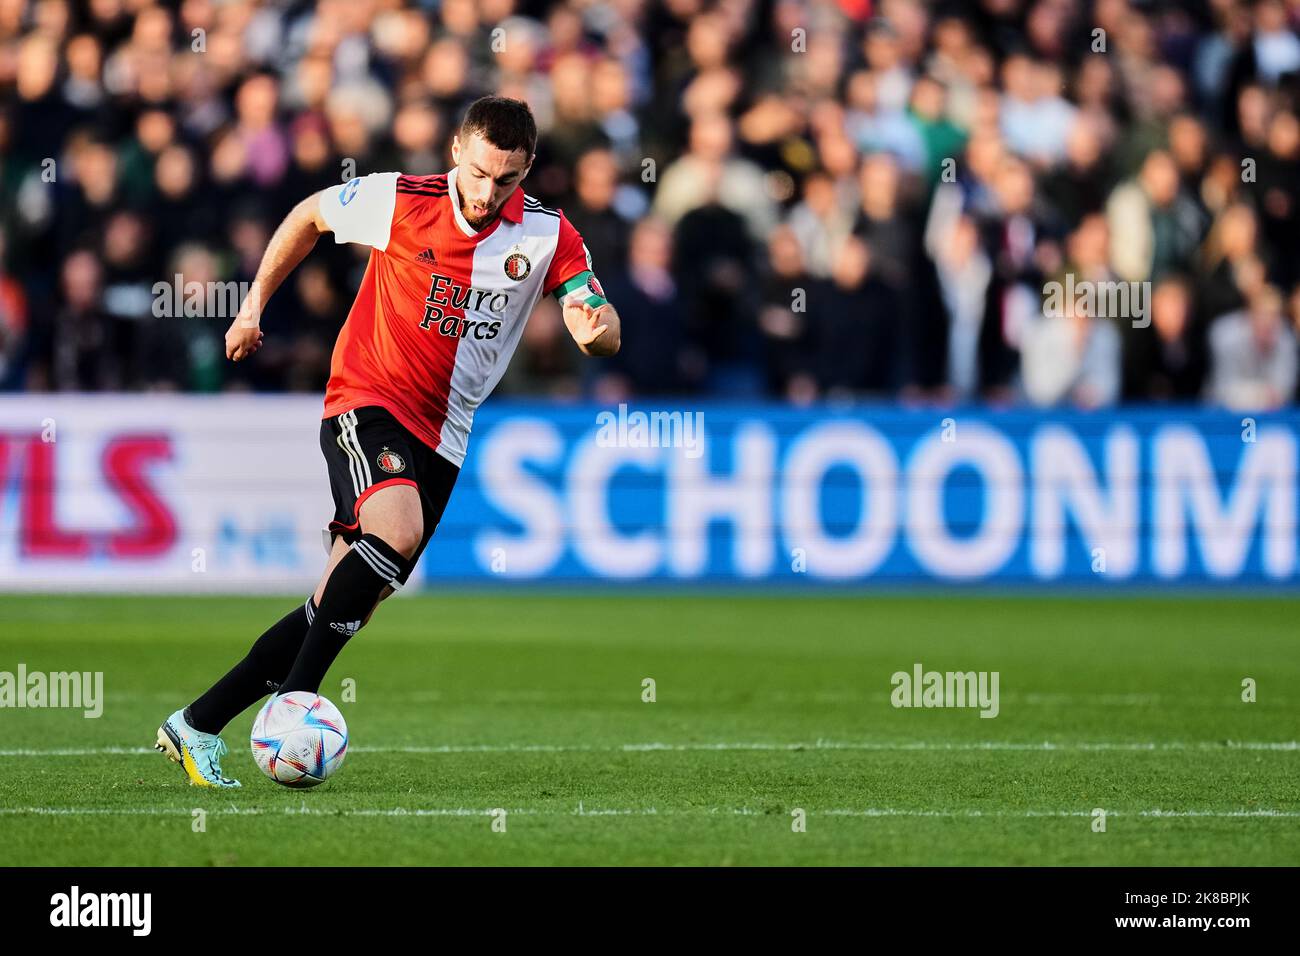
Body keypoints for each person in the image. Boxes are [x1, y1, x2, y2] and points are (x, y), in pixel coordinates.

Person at [154, 96, 620, 787]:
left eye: (509, 180)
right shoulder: (398, 200)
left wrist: (595, 326)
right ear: (457, 149)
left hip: (447, 436)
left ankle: (195, 724)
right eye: (483, 173)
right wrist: (252, 307)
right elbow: (307, 216)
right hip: (368, 396)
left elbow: (597, 316)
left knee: (340, 605)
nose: (491, 194)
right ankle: (295, 705)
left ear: (527, 172)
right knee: (394, 532)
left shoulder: (549, 236)